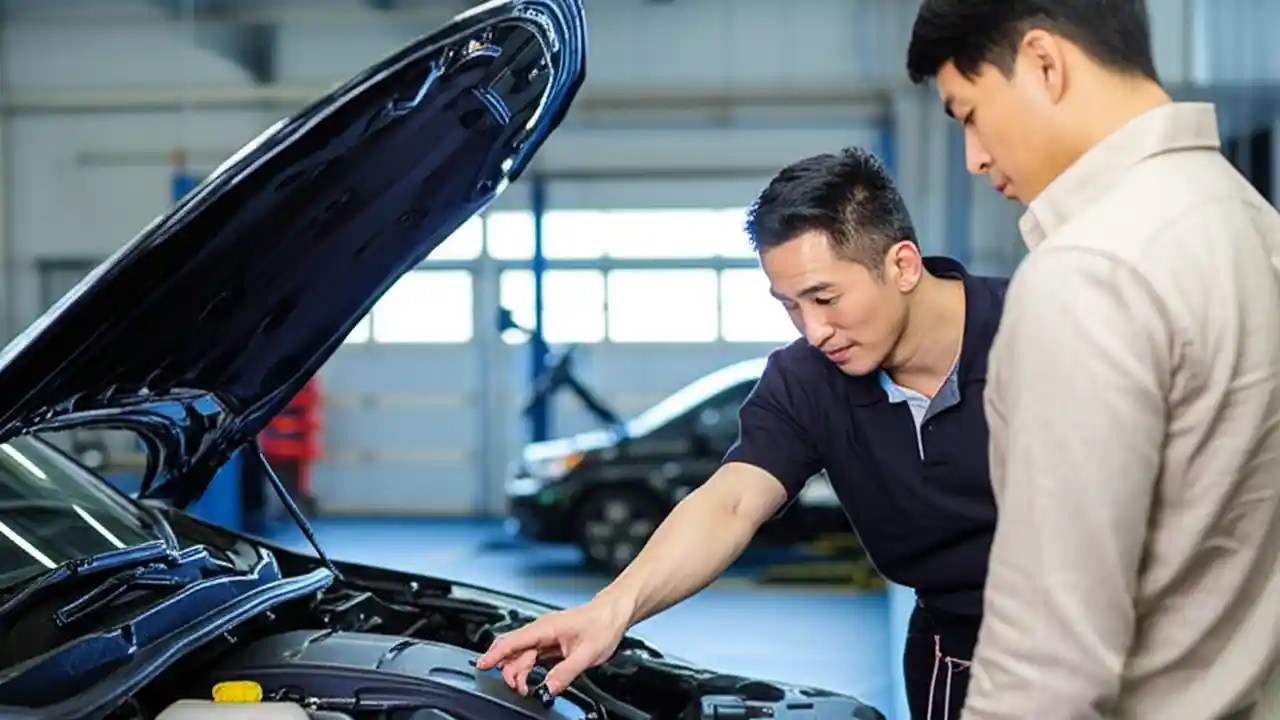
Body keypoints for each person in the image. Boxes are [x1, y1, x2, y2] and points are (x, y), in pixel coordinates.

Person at [477, 146, 1010, 720]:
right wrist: (611, 609)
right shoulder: (806, 378)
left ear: (902, 266)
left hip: (1101, 639)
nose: (814, 330)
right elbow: (729, 502)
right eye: (790, 306)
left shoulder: (1039, 326)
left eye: (825, 298)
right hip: (956, 656)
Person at [905, 1, 1280, 719]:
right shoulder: (1255, 225)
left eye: (969, 113)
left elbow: (1047, 667)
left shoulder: (1090, 273)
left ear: (1045, 63)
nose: (974, 157)